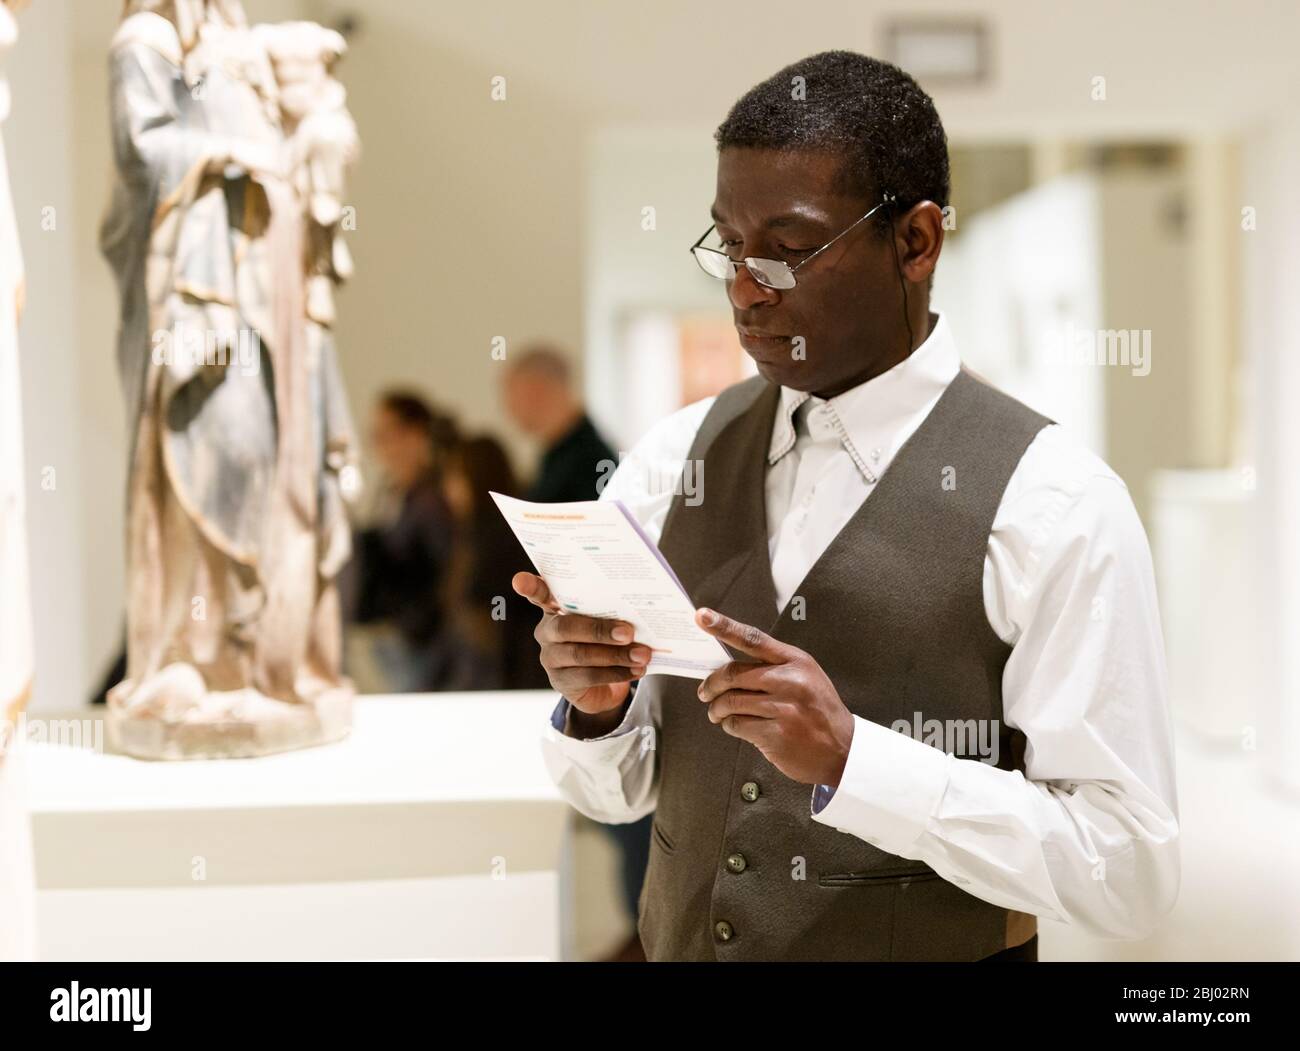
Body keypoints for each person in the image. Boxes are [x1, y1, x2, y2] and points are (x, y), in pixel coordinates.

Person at [514, 50, 1180, 962]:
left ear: (916, 242)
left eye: (789, 252)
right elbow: (616, 796)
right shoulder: (673, 461)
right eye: (728, 244)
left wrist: (856, 763)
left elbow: (1127, 868)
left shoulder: (1055, 501)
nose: (746, 288)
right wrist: (596, 711)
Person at [502, 345, 653, 962]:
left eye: (512, 392)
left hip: (610, 665)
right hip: (581, 667)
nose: (508, 409)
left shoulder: (590, 460)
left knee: (631, 816)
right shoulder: (565, 456)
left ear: (541, 389)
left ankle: (642, 933)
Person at [348, 390, 457, 693]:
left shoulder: (433, 499)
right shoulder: (391, 493)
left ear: (416, 434)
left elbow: (442, 575)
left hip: (424, 639)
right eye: (376, 435)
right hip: (391, 633)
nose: (380, 445)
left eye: (388, 433)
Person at [440, 435, 550, 691]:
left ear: (476, 478)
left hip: (506, 668)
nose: (448, 489)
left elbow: (496, 610)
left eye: (455, 477)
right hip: (495, 666)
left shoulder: (497, 535)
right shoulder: (473, 531)